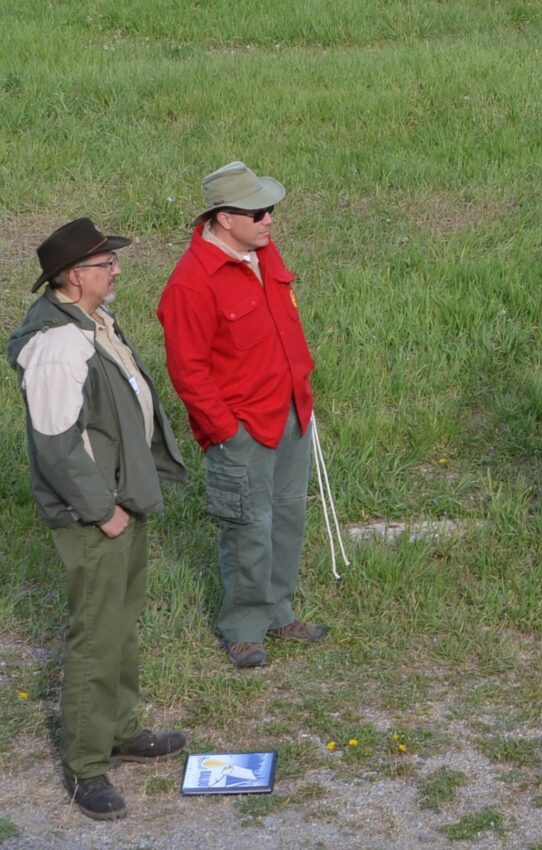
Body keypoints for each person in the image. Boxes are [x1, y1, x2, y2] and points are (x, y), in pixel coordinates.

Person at [7, 218, 188, 820]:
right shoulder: (58, 345)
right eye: (104, 263)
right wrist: (102, 509)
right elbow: (57, 445)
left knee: (122, 621)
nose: (115, 270)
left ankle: (120, 729)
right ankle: (87, 767)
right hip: (96, 513)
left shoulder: (92, 323)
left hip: (118, 501)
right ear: (71, 276)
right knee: (95, 635)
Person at [158, 161, 327, 668]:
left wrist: (303, 396)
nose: (269, 218)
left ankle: (278, 610)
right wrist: (224, 431)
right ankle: (244, 627)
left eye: (270, 208)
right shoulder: (191, 283)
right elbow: (187, 371)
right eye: (257, 211)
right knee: (247, 527)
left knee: (287, 519)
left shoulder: (263, 253)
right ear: (223, 218)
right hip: (243, 429)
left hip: (291, 413)